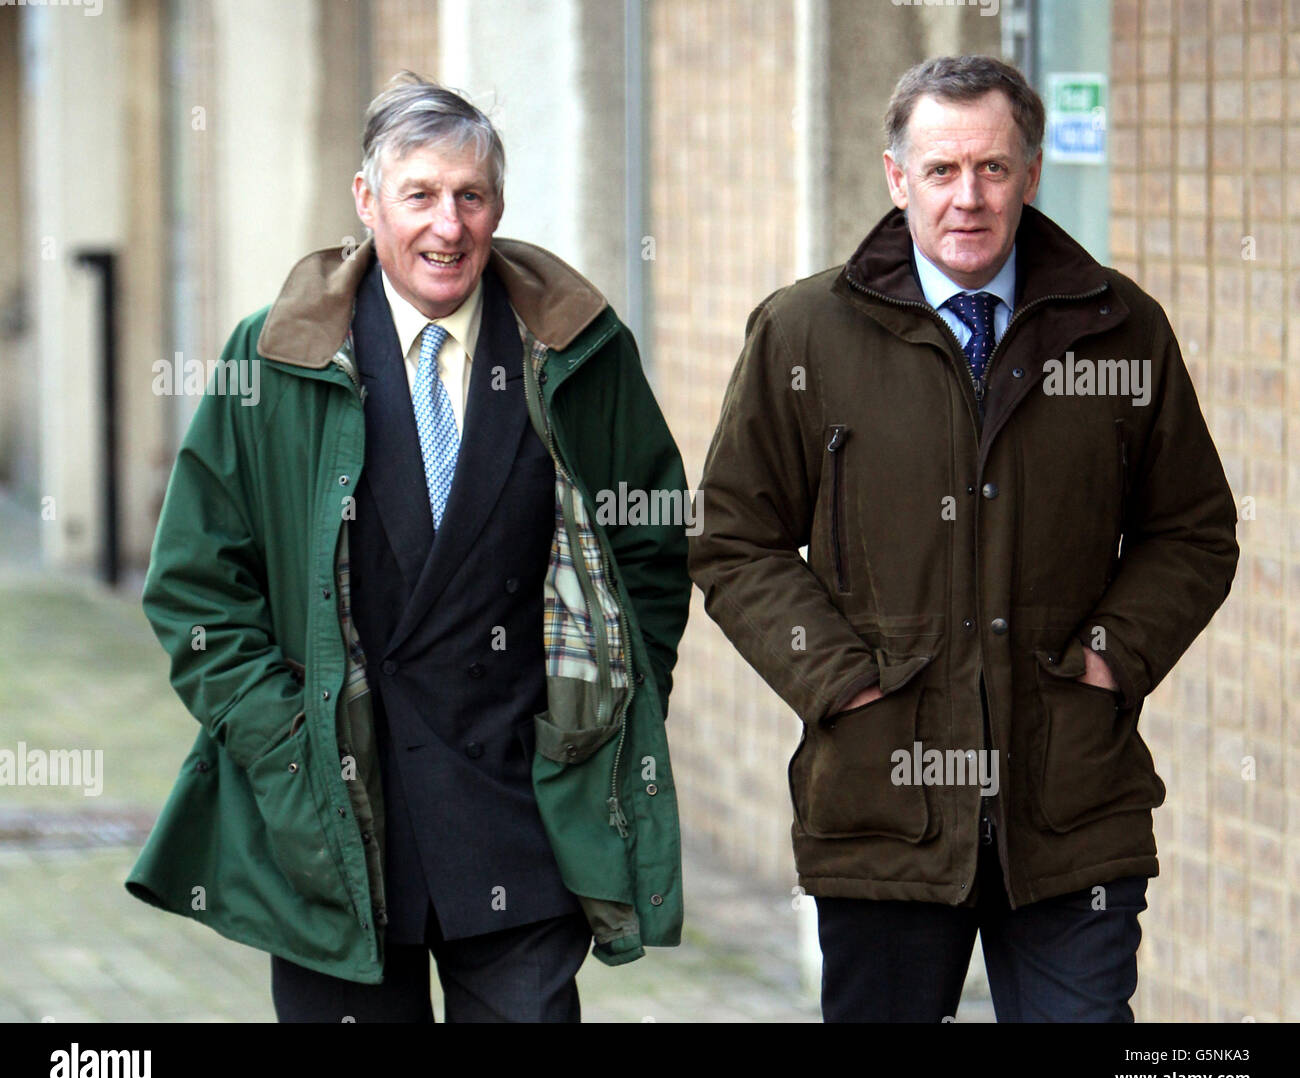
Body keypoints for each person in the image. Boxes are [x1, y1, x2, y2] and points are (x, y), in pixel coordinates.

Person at [126, 72, 691, 1022]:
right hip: (336, 824)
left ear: (497, 205)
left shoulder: (578, 351)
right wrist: (284, 745)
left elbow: (652, 545)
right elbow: (194, 589)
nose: (448, 225)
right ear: (367, 201)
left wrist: (611, 706)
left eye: (470, 195)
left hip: (524, 819)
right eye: (419, 194)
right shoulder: (272, 359)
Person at [688, 55, 1238, 1022]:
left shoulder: (1119, 330)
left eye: (992, 169)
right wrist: (840, 681)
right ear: (897, 179)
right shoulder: (805, 334)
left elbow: (1192, 530)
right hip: (881, 804)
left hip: (1070, 805)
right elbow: (735, 537)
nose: (968, 198)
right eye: (941, 171)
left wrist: (1111, 657)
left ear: (1031, 175)